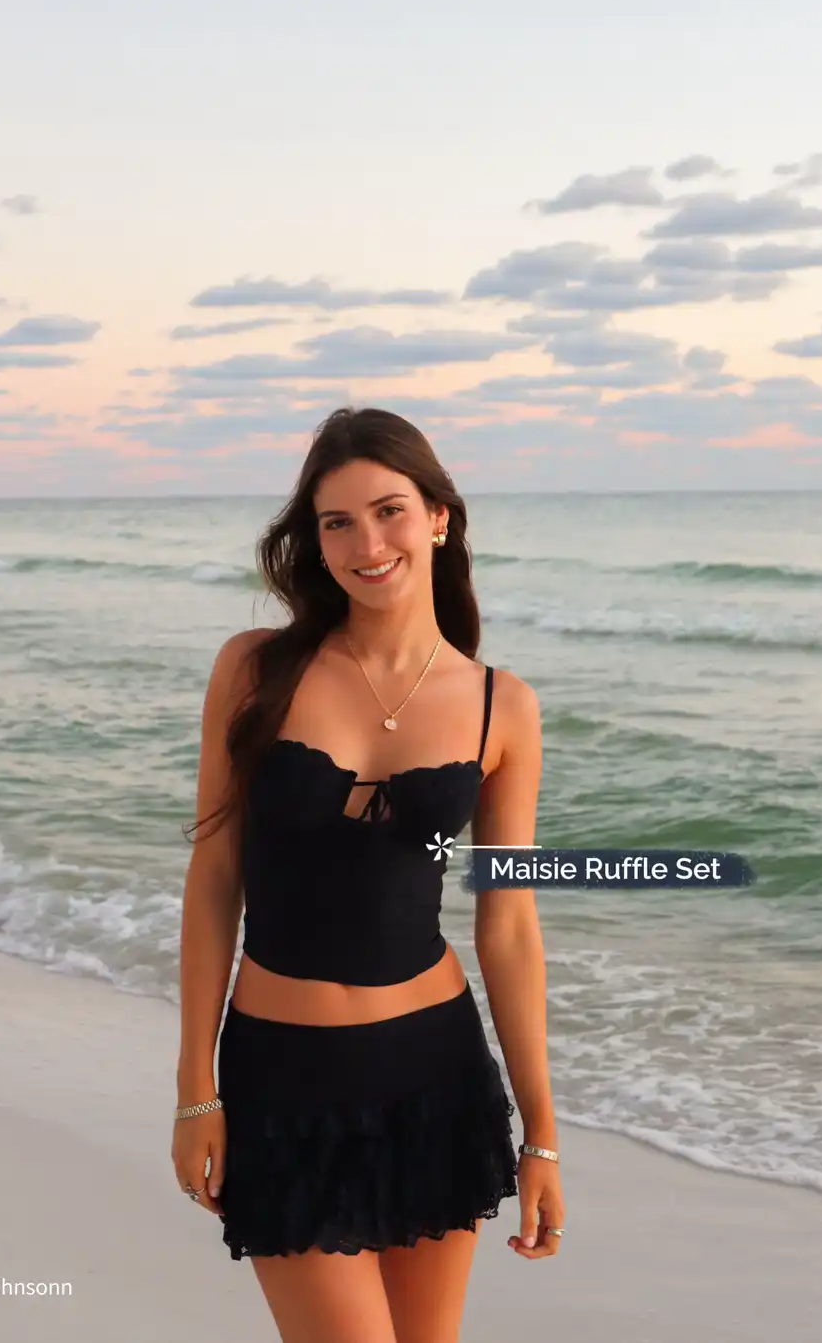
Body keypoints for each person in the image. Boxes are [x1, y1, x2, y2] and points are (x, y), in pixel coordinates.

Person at [172, 406, 565, 1343]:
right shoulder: (255, 670)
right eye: (336, 521)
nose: (365, 541)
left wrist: (541, 1134)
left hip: (435, 1073)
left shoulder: (498, 705)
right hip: (280, 1074)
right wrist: (197, 1088)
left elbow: (507, 923)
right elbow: (214, 874)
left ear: (438, 517)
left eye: (388, 511)